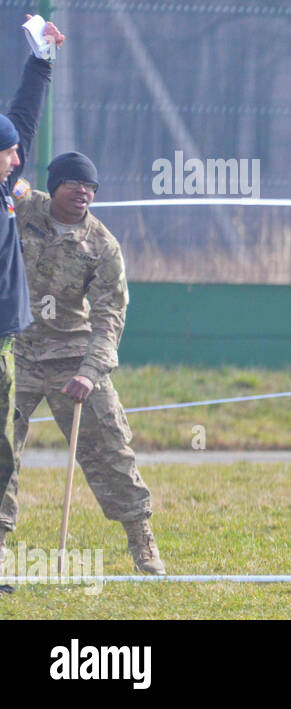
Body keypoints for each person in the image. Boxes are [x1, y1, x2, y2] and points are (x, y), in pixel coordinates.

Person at [1, 151, 164, 575]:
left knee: (110, 447)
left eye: (90, 187)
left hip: (72, 355)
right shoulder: (23, 204)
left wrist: (89, 374)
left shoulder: (102, 245)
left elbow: (111, 316)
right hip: (14, 348)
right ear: (54, 186)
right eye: (74, 184)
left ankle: (141, 541)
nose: (83, 193)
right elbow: (8, 175)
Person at [0, 15, 65, 576]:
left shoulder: (3, 181)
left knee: (1, 452)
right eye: (9, 154)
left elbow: (21, 120)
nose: (18, 160)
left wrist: (42, 61)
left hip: (4, 345)